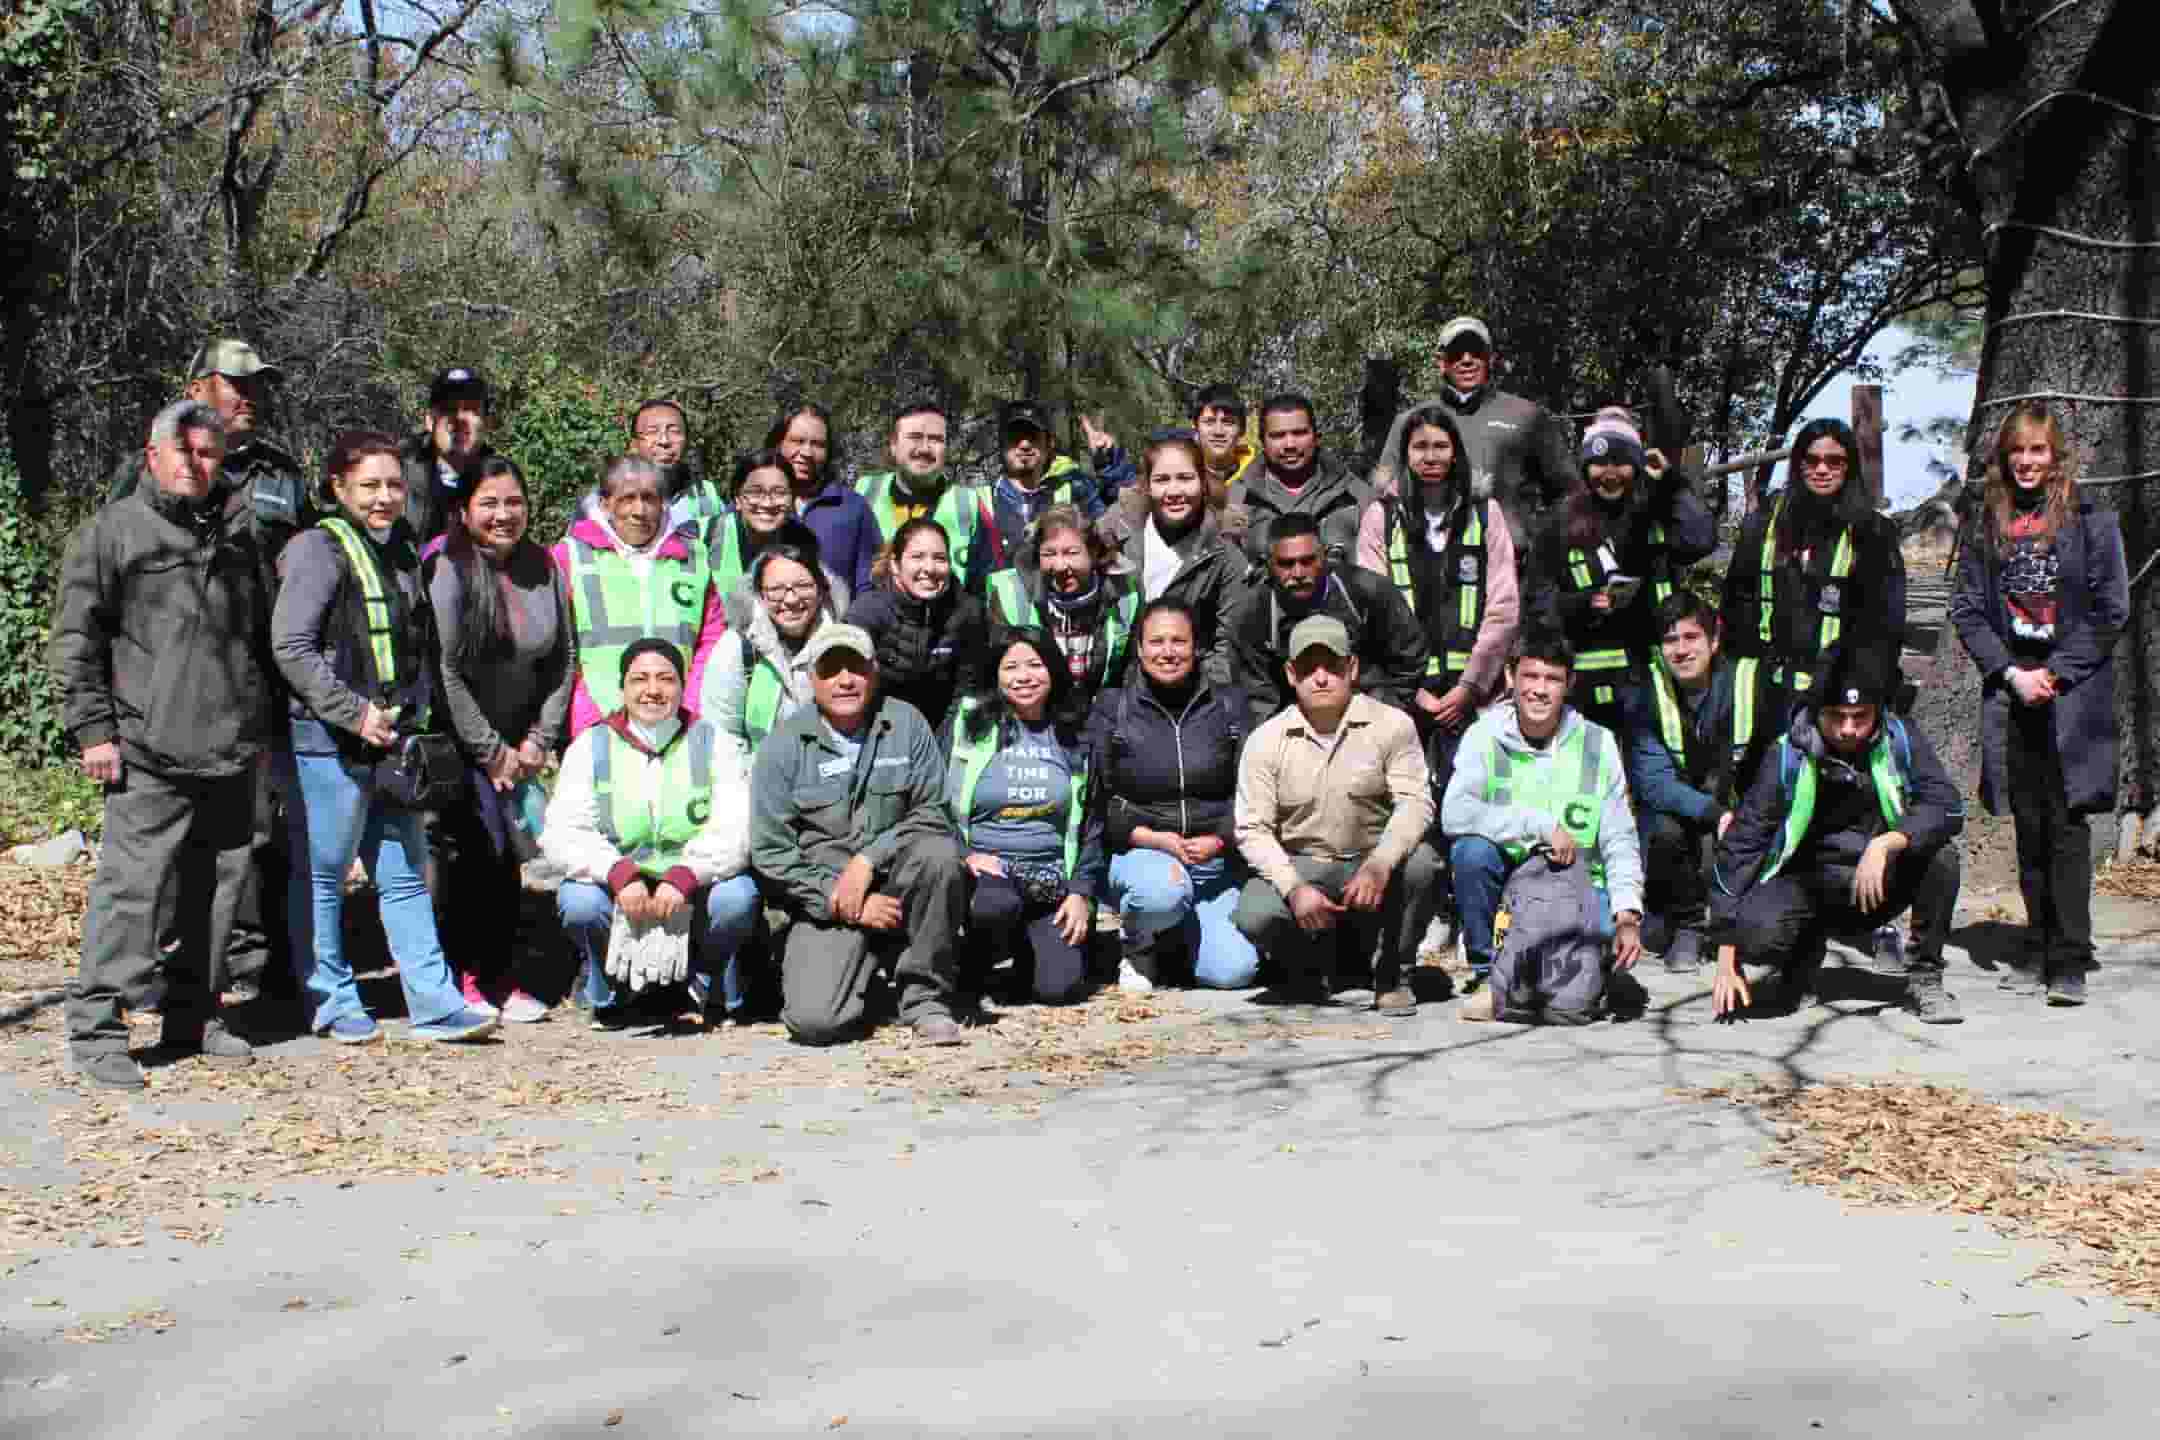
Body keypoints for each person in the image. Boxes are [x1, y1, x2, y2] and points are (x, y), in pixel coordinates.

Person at [53, 401, 268, 1088]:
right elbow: (76, 641)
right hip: (146, 748)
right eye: (183, 452)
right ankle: (96, 1028)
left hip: (230, 747)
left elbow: (260, 639)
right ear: (153, 455)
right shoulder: (112, 533)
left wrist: (263, 727)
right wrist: (94, 732)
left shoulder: (240, 535)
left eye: (208, 454)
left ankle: (193, 1013)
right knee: (133, 894)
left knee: (215, 893)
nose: (196, 465)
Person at [272, 430, 499, 1045]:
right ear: (337, 487)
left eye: (394, 484)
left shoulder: (401, 548)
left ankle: (434, 1002)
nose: (383, 496)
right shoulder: (316, 549)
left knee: (401, 872)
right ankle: (332, 1001)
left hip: (395, 745)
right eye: (369, 485)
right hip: (330, 742)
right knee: (325, 873)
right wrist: (352, 712)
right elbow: (291, 647)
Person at [107, 338, 305, 1004]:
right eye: (236, 384)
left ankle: (245, 964)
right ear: (198, 388)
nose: (250, 396)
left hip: (262, 677)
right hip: (173, 682)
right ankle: (154, 970)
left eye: (259, 386)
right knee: (165, 835)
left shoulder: (282, 473)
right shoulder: (157, 466)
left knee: (254, 828)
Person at [1948, 402, 2129, 1005]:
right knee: (2028, 824)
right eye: (2017, 451)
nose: (2027, 461)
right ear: (2004, 457)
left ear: (2055, 456)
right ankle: (2038, 941)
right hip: (2014, 692)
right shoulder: (1986, 521)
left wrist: (2057, 671)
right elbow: (1967, 608)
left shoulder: (2091, 518)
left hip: (2072, 693)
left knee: (2068, 825)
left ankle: (2071, 957)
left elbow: (2112, 611)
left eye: (2038, 450)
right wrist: (2009, 672)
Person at [1709, 643, 1965, 1024]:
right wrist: (1727, 957)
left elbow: (1947, 807)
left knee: (1941, 858)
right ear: (1816, 712)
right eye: (1836, 716)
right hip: (1809, 888)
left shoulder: (1899, 739)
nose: (1848, 729)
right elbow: (1743, 845)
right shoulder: (1786, 755)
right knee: (1755, 931)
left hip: (1877, 884)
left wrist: (1888, 843)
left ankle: (1926, 977)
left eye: (1860, 717)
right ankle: (1800, 966)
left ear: (1877, 711)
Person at [748, 624, 970, 1046]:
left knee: (939, 855)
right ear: (811, 678)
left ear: (874, 671)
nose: (845, 680)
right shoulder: (784, 744)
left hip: (901, 879)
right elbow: (771, 850)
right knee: (816, 1023)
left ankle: (925, 998)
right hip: (827, 898)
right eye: (831, 669)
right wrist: (846, 902)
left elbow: (934, 812)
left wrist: (868, 860)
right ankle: (865, 968)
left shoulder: (906, 723)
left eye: (856, 668)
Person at [422, 455, 573, 1024]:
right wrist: (490, 752)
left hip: (522, 743)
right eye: (489, 503)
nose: (503, 514)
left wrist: (538, 739)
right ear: (464, 510)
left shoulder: (544, 566)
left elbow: (564, 659)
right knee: (475, 854)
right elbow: (445, 670)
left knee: (512, 860)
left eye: (514, 502)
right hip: (462, 743)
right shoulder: (448, 567)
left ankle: (501, 975)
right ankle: (464, 975)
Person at [543, 638, 761, 1028]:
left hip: (692, 888)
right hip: (623, 891)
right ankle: (612, 990)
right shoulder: (590, 745)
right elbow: (563, 832)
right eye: (639, 679)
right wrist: (618, 873)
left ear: (681, 685)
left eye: (666, 679)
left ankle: (705, 985)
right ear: (622, 688)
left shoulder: (716, 743)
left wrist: (686, 875)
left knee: (737, 896)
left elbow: (736, 826)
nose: (653, 690)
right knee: (578, 901)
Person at [1233, 616, 1440, 1015]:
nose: (1322, 678)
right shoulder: (1266, 741)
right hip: (1305, 865)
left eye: (1333, 666)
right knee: (1254, 911)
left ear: (1353, 669)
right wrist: (1293, 887)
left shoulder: (1392, 725)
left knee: (1424, 865)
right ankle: (1311, 971)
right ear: (1291, 674)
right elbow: (1252, 829)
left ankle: (1393, 972)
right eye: (1309, 668)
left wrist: (1381, 864)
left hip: (1371, 860)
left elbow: (1416, 803)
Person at [1442, 629, 1645, 1004]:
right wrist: (1539, 825)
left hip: (1578, 888)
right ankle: (1490, 972)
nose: (1539, 689)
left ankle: (1574, 968)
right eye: (1530, 676)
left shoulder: (1598, 742)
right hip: (1510, 892)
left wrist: (1627, 913)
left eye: (1552, 679)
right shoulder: (1482, 735)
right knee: (1470, 852)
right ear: (1510, 678)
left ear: (1568, 685)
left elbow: (1620, 837)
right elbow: (1454, 814)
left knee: (1593, 973)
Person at [1090, 601, 1259, 992]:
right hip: (1143, 854)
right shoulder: (1113, 708)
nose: (1168, 652)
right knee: (1161, 894)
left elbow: (1252, 792)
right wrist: (1153, 839)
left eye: (1179, 641)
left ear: (1196, 647)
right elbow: (1101, 800)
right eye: (1157, 641)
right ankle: (1139, 944)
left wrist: (1220, 838)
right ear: (1139, 648)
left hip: (1213, 860)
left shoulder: (1229, 705)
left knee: (1232, 972)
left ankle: (1178, 942)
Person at [1355, 402, 1522, 791]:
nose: (1431, 456)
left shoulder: (1485, 513)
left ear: (1456, 451)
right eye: (1420, 447)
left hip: (1477, 697)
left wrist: (1470, 687)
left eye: (1441, 446)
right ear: (1405, 453)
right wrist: (1414, 692)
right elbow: (1372, 609)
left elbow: (1503, 606)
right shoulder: (1381, 516)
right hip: (1405, 697)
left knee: (1477, 797)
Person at [941, 629, 1104, 1006]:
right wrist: (962, 853)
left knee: (1058, 989)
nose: (1024, 676)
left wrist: (1081, 892)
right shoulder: (968, 724)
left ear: (1053, 671)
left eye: (1035, 665)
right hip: (985, 877)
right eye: (1011, 667)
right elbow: (931, 801)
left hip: (1051, 881)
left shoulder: (1077, 733)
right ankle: (975, 960)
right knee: (996, 905)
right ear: (995, 675)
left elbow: (1093, 824)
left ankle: (1027, 953)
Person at [1720, 416, 1907, 746]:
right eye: (1812, 460)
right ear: (1798, 464)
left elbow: (1884, 628)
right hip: (1765, 691)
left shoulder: (1873, 533)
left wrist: (1860, 692)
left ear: (1849, 467)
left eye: (1834, 461)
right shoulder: (1763, 525)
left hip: (1837, 697)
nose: (1822, 469)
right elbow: (1737, 604)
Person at [1531, 406, 1715, 740]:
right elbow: (1538, 603)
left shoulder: (1657, 511)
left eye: (1621, 462)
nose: (1610, 473)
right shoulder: (1558, 522)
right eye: (1600, 463)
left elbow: (1701, 540)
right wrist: (1584, 604)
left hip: (1653, 680)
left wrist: (1672, 482)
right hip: (1583, 690)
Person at [1622, 592, 1761, 973]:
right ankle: (1687, 924)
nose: (1681, 650)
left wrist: (1742, 815)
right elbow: (1653, 783)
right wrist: (1714, 813)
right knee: (1662, 826)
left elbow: (1772, 767)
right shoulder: (1643, 692)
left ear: (1714, 640)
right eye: (1670, 640)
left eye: (1691, 637)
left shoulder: (1750, 683)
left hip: (1744, 815)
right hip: (1686, 814)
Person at [552, 455, 728, 738]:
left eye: (649, 498)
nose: (639, 510)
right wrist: (588, 713)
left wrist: (691, 705)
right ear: (605, 505)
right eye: (627, 499)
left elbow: (711, 638)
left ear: (664, 504)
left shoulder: (694, 556)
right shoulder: (569, 556)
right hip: (599, 723)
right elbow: (558, 647)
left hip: (679, 720)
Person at [1379, 316, 1577, 550]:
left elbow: (1570, 493)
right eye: (1456, 353)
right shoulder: (1408, 422)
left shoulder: (1528, 417)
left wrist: (1539, 542)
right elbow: (1383, 495)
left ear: (1491, 359)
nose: (1466, 360)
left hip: (1512, 569)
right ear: (1441, 362)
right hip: (1430, 567)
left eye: (1476, 352)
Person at [1227, 513, 1429, 730]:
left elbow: (1410, 656)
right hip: (1294, 727)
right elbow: (1259, 698)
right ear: (1269, 564)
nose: (1298, 573)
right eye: (1286, 564)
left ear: (1323, 556)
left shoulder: (1368, 591)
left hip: (1369, 716)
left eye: (1307, 561)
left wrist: (1383, 717)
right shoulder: (1251, 615)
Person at [1102, 431, 1250, 683]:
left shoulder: (1227, 561)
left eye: (1185, 478)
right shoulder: (1122, 549)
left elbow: (1228, 650)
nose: (1174, 491)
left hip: (1198, 695)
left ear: (1202, 482)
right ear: (1147, 486)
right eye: (1162, 479)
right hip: (1127, 695)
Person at [845, 517, 989, 732]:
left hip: (941, 730)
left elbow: (967, 692)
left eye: (939, 558)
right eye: (917, 557)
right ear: (895, 565)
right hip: (879, 729)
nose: (929, 568)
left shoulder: (968, 613)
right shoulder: (868, 612)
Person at [985, 503, 1139, 702]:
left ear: (1093, 553)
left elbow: (1130, 673)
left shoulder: (1127, 594)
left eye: (1071, 553)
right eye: (1049, 554)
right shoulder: (1008, 594)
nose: (1059, 566)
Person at [703, 542, 846, 752]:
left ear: (822, 589)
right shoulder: (737, 647)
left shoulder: (843, 642)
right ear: (760, 595)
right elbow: (722, 734)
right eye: (777, 589)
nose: (791, 599)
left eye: (803, 586)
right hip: (759, 776)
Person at [855, 399, 997, 593]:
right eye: (914, 437)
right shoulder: (864, 492)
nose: (924, 449)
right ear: (893, 446)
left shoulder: (969, 504)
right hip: (870, 619)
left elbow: (986, 586)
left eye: (936, 439)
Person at [980, 399, 1135, 560]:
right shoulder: (980, 505)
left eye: (1032, 436)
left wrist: (1109, 464)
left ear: (1049, 443)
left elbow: (1118, 530)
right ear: (1001, 443)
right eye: (1015, 436)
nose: (1025, 444)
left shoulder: (1077, 492)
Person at [1231, 392, 1372, 566]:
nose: (1289, 444)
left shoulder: (1356, 496)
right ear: (1263, 441)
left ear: (1316, 437)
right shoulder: (1236, 500)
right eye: (1278, 436)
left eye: (1299, 433)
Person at [768, 403, 881, 600]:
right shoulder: (755, 506)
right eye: (797, 441)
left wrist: (849, 627)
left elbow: (869, 587)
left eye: (818, 444)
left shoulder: (853, 508)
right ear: (779, 443)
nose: (807, 452)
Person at [708, 449, 846, 605]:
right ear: (738, 499)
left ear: (792, 499)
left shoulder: (803, 541)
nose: (768, 503)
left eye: (780, 493)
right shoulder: (703, 536)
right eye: (755, 492)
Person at [401, 366, 498, 545]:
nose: (459, 419)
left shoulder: (501, 481)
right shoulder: (397, 478)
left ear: (487, 422)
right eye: (448, 409)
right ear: (430, 421)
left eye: (471, 409)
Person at [623, 397, 727, 532]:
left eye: (674, 431)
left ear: (687, 441)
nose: (664, 441)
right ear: (634, 445)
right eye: (652, 431)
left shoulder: (706, 495)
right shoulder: (612, 499)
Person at [1190, 383, 1257, 499]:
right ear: (1195, 427)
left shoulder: (1259, 481)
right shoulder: (1175, 479)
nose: (1218, 432)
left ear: (1242, 430)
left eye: (1228, 422)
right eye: (1209, 422)